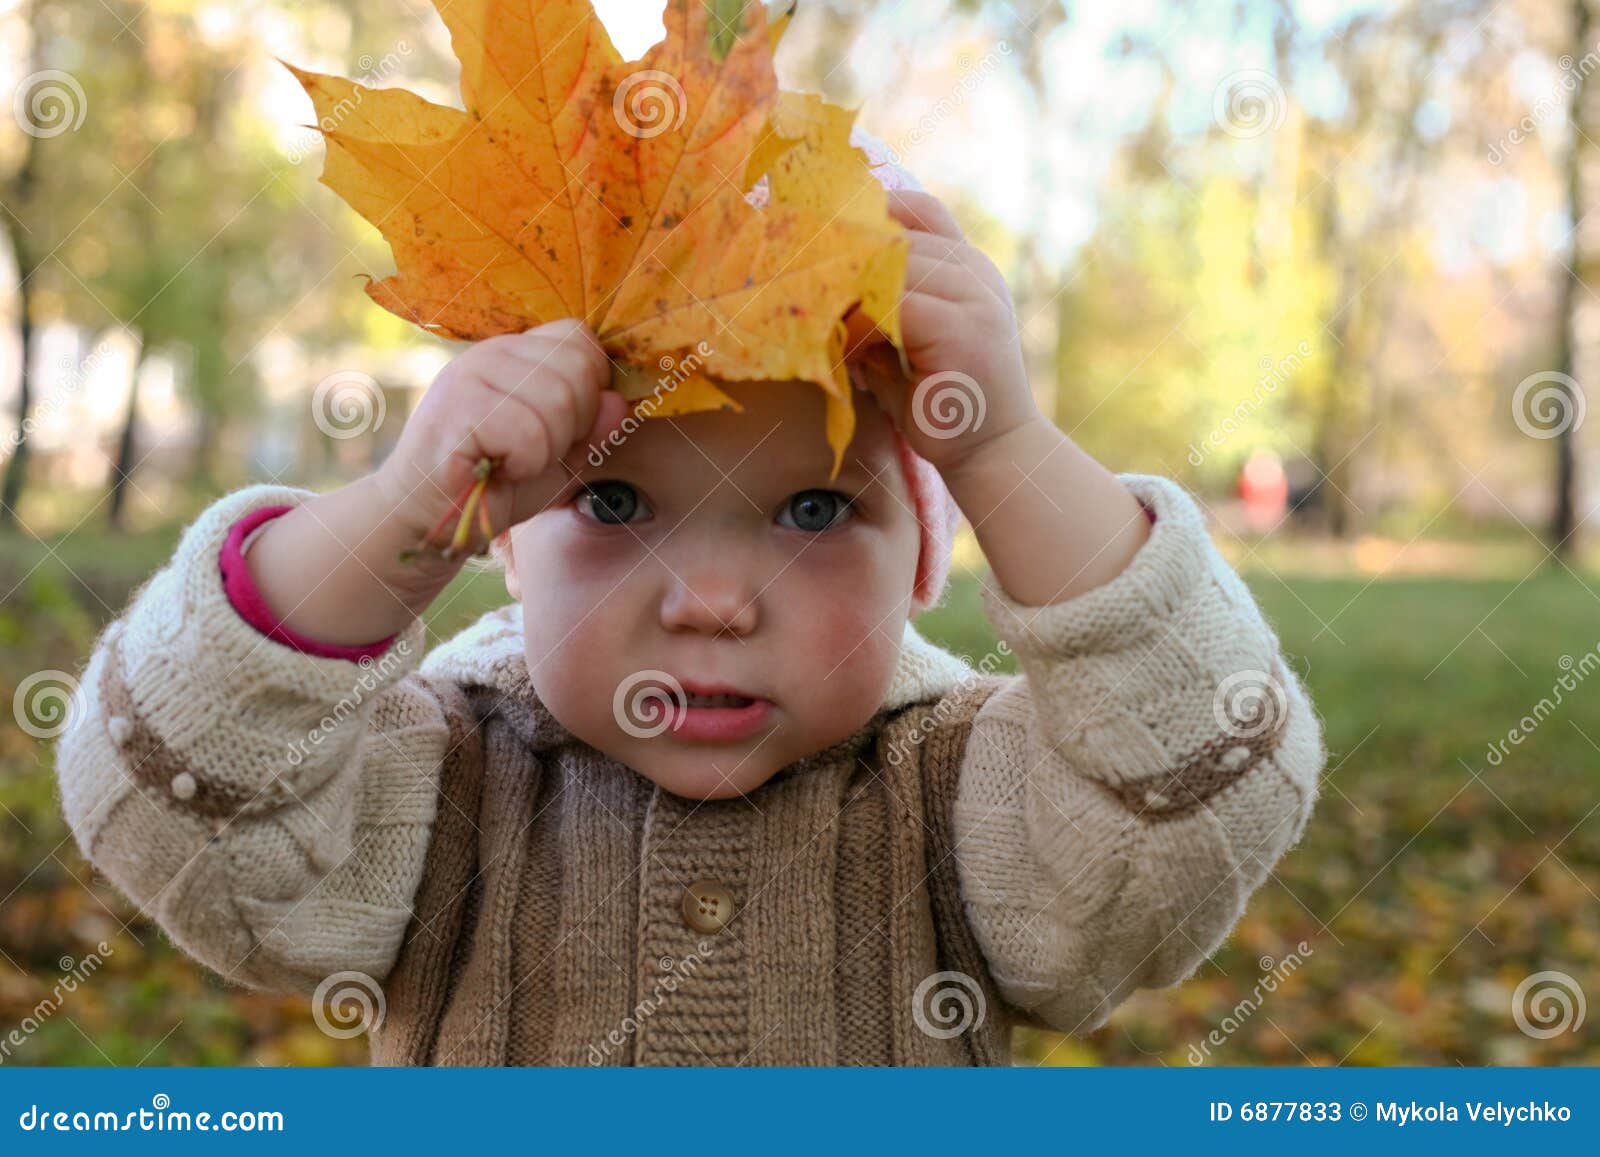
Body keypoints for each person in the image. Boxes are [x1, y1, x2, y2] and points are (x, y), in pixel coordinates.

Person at [53, 133, 1324, 1065]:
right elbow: (167, 786)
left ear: (926, 560)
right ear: (504, 538)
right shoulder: (432, 785)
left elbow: (1203, 780)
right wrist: (398, 513)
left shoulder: (969, 795)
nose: (713, 599)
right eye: (612, 505)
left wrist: (999, 446)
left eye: (815, 510)